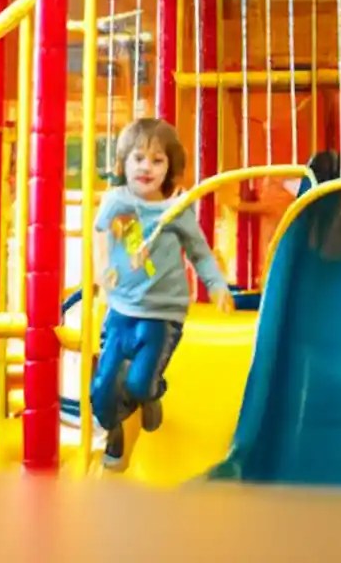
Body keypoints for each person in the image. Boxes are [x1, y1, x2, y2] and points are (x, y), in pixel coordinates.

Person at [91, 118, 234, 470]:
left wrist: (216, 285)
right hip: (122, 310)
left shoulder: (176, 209)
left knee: (139, 383)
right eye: (138, 158)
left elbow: (199, 251)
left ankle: (150, 394)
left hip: (162, 315)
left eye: (157, 160)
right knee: (101, 393)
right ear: (123, 162)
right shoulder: (116, 202)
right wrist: (103, 266)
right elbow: (99, 235)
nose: (146, 167)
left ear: (170, 167)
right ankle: (115, 429)